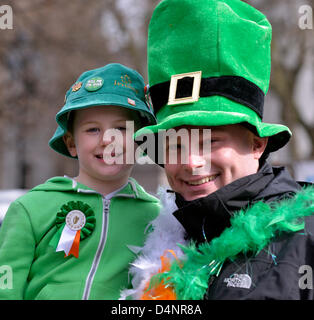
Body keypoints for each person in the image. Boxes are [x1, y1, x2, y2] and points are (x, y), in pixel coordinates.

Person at [121, 0, 314, 300]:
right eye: (174, 145)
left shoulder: (305, 239)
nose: (191, 162)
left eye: (211, 142)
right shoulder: (159, 242)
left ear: (257, 143)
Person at [0, 63, 160, 300]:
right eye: (93, 130)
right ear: (71, 143)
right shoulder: (30, 209)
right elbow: (6, 287)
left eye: (120, 129)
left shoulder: (157, 218)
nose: (108, 140)